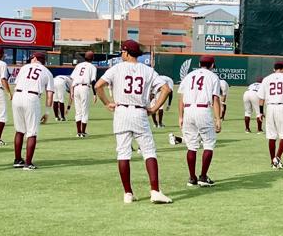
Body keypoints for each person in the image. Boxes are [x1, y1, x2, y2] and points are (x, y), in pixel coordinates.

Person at [96, 40, 173, 204]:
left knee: (123, 153)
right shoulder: (148, 70)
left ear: (126, 53)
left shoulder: (116, 68)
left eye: (122, 52)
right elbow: (166, 89)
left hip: (121, 112)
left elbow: (98, 86)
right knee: (149, 152)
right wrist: (154, 108)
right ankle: (155, 191)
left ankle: (128, 193)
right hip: (139, 112)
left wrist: (107, 102)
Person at [177, 55, 223, 186]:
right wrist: (218, 119)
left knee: (191, 146)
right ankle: (203, 177)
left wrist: (180, 116)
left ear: (199, 63)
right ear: (212, 65)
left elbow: (181, 97)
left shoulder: (189, 75)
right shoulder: (213, 77)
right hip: (203, 110)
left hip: (188, 110)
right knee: (208, 144)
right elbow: (215, 99)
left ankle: (192, 178)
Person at [11, 52, 54, 169]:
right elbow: (49, 95)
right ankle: (28, 163)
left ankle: (17, 159)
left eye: (31, 58)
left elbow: (16, 83)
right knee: (32, 132)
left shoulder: (24, 68)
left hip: (17, 95)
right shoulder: (47, 72)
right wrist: (47, 112)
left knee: (19, 130)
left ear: (35, 58)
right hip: (32, 97)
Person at [260, 61, 283, 169]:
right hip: (282, 107)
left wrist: (261, 112)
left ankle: (273, 161)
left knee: (271, 136)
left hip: (270, 107)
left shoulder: (266, 79)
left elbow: (261, 98)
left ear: (274, 69)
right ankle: (278, 157)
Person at [70, 51, 99, 137]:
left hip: (76, 88)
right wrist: (94, 94)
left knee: (78, 111)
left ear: (85, 57)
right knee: (84, 111)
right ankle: (83, 132)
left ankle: (79, 132)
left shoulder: (78, 65)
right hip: (85, 88)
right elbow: (93, 81)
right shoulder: (93, 67)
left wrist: (72, 91)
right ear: (93, 58)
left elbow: (72, 78)